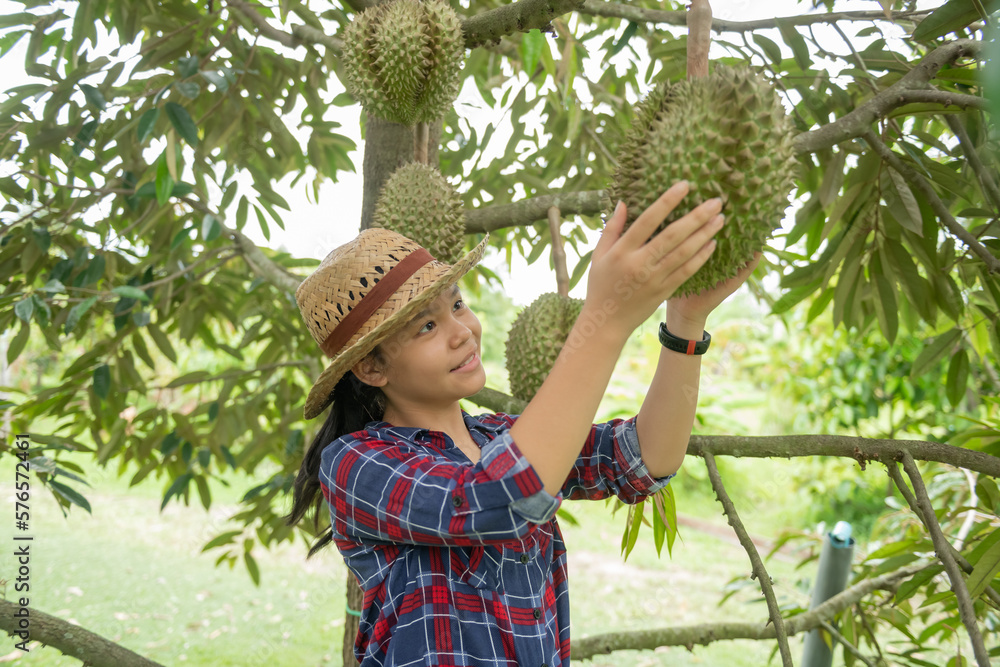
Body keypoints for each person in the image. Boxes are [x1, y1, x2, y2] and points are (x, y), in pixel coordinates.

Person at [285, 181, 759, 666]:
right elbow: (500, 498)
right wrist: (606, 317)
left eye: (456, 305)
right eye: (426, 326)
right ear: (371, 369)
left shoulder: (500, 436)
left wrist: (685, 321)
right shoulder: (357, 464)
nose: (461, 332)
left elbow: (643, 458)